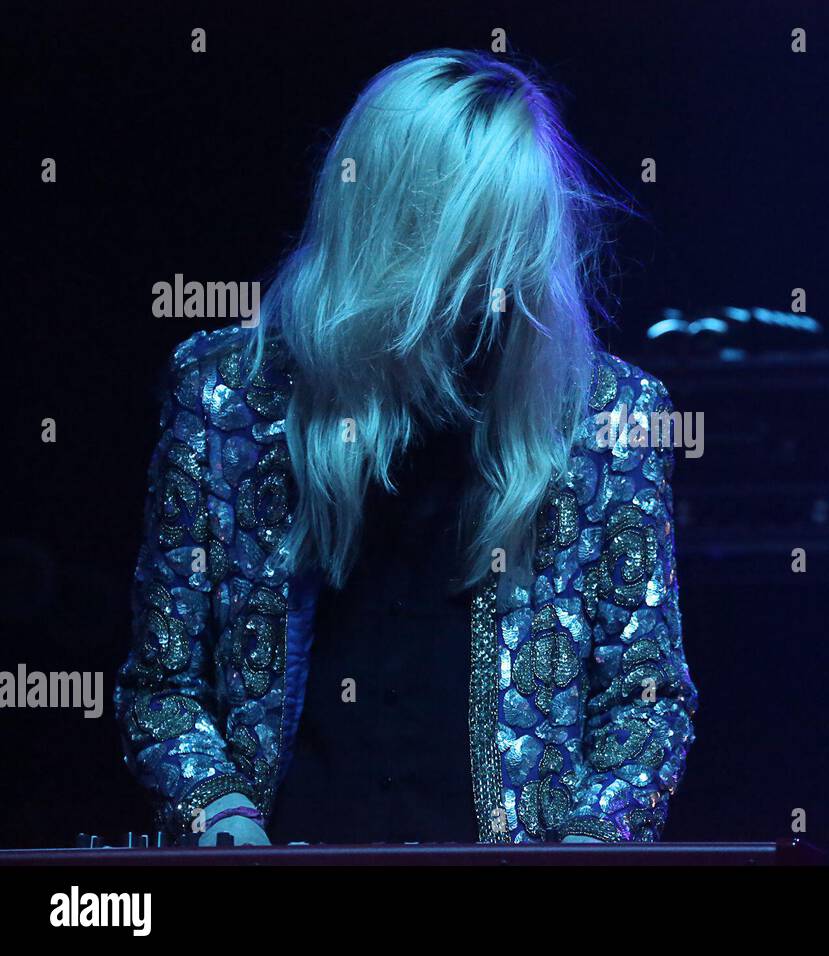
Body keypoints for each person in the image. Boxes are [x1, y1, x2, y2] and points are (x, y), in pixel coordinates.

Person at [114, 49, 697, 846]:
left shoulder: (609, 416)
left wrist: (589, 846)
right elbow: (162, 682)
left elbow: (646, 699)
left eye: (504, 249)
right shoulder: (226, 394)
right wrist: (222, 815)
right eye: (460, 253)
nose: (480, 289)